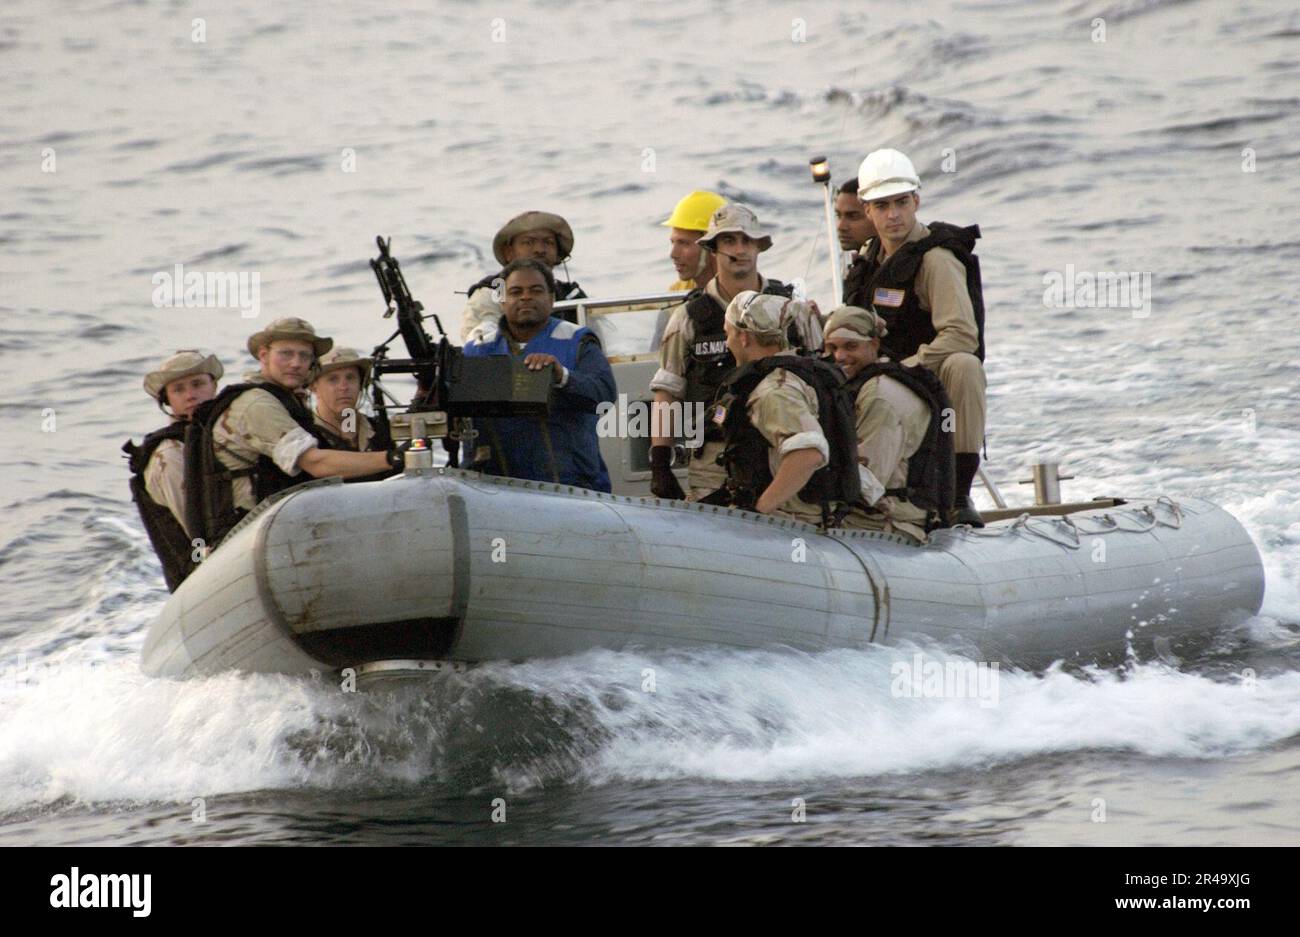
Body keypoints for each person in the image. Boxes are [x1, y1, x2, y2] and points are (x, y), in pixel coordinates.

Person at [848, 148, 988, 527]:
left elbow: (961, 333)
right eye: (882, 205)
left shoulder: (935, 259)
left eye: (901, 202)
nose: (893, 214)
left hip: (925, 375)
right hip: (877, 373)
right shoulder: (868, 260)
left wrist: (906, 368)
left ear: (916, 201)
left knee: (965, 365)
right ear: (868, 211)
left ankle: (957, 494)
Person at [649, 204, 823, 502]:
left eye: (747, 241)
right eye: (729, 241)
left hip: (780, 452)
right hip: (714, 460)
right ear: (714, 249)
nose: (740, 250)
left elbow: (822, 376)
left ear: (759, 247)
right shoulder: (688, 318)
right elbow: (668, 391)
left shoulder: (793, 311)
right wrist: (660, 463)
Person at [186, 317, 395, 548]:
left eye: (304, 356)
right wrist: (391, 458)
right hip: (245, 539)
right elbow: (316, 464)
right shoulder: (257, 404)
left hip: (268, 532)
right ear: (264, 355)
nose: (296, 363)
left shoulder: (284, 401)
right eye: (286, 354)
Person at [462, 258, 617, 492]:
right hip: (495, 490)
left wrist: (562, 376)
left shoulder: (577, 341)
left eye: (536, 290)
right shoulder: (478, 348)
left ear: (552, 298)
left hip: (572, 486)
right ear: (502, 300)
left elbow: (604, 395)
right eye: (516, 291)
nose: (526, 297)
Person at [708, 292, 859, 525]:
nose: (728, 343)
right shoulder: (803, 374)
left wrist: (759, 512)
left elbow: (808, 453)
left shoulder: (773, 390)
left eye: (728, 334)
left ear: (745, 337)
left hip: (790, 524)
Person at [822, 306, 955, 544]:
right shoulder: (868, 385)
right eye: (832, 348)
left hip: (888, 523)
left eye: (851, 346)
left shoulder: (879, 397)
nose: (840, 356)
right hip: (876, 515)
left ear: (873, 344)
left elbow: (867, 482)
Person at [123, 349, 223, 590]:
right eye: (178, 389)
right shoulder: (169, 455)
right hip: (200, 574)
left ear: (214, 386)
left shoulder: (218, 436)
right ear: (167, 400)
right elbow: (196, 530)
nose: (190, 395)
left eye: (198, 384)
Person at [460, 210, 587, 342]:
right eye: (528, 242)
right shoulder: (492, 292)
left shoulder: (571, 295)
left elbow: (602, 343)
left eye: (548, 242)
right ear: (509, 252)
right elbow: (478, 347)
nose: (540, 249)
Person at [310, 347, 388, 452]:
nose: (344, 387)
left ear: (361, 384)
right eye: (333, 379)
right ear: (313, 387)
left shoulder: (381, 430)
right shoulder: (304, 435)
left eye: (350, 378)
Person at [662, 190, 727, 291]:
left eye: (684, 243)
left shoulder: (744, 296)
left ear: (713, 244)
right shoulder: (678, 291)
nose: (673, 254)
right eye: (673, 242)